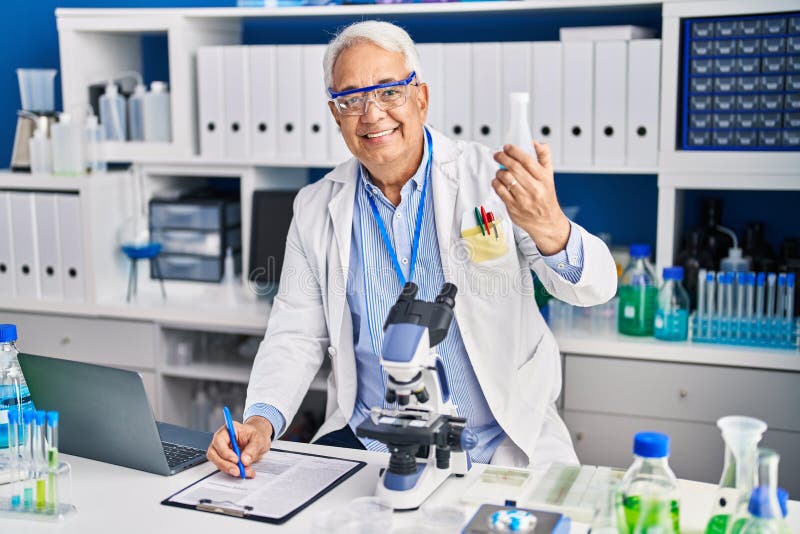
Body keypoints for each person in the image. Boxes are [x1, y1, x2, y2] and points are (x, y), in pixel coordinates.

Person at [206, 20, 617, 478]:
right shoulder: (315, 206)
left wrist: (550, 225)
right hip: (375, 444)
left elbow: (595, 289)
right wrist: (261, 420)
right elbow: (295, 333)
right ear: (336, 114)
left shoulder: (489, 179)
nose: (371, 114)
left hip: (496, 440)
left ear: (421, 97)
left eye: (389, 92)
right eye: (351, 99)